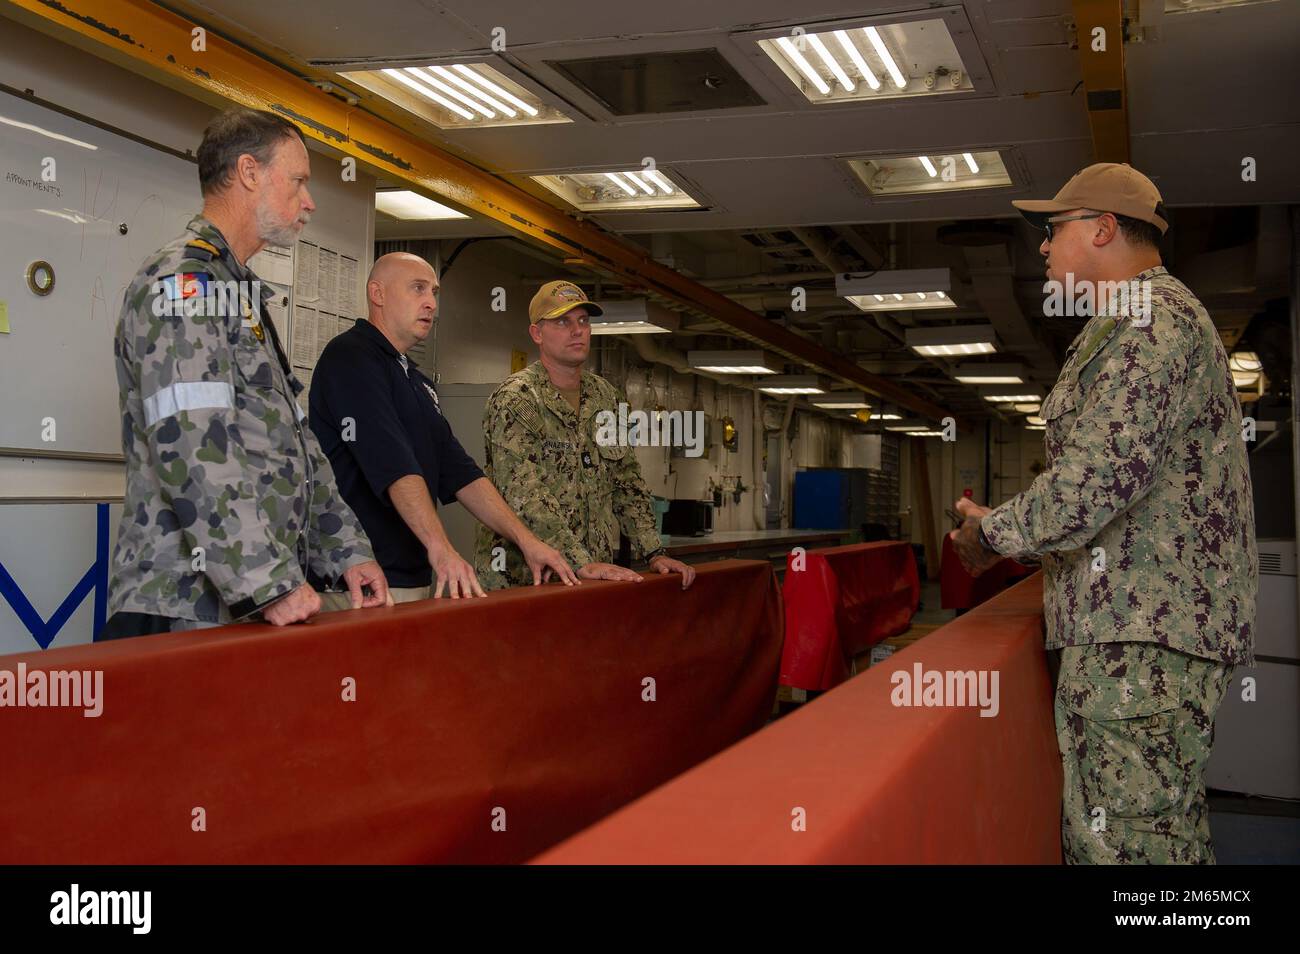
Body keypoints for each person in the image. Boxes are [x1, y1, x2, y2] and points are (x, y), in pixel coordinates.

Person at [949, 162, 1257, 864]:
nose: (1044, 248)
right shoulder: (1151, 319)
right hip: (1147, 634)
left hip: (1139, 645)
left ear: (1103, 229)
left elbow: (1092, 482)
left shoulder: (1146, 321)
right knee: (1161, 842)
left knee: (1127, 850)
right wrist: (1016, 521)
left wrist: (990, 534)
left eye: (1054, 230)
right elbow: (1116, 483)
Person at [102, 108, 389, 639]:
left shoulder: (238, 292)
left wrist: (346, 550)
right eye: (299, 180)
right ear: (250, 172)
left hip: (247, 602)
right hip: (185, 607)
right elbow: (193, 447)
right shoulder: (184, 284)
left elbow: (295, 447)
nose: (310, 201)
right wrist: (266, 581)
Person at [309, 253, 578, 601]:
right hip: (358, 579)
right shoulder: (351, 357)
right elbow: (393, 464)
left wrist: (528, 541)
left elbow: (461, 472)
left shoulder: (417, 382)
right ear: (378, 294)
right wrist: (441, 548)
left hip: (411, 576)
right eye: (418, 289)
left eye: (434, 292)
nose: (431, 303)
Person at [474, 280, 696, 589]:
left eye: (583, 321)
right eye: (562, 321)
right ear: (537, 334)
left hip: (590, 576)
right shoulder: (518, 398)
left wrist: (654, 553)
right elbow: (524, 494)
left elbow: (626, 482)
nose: (577, 330)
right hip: (523, 578)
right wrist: (580, 562)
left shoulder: (606, 398)